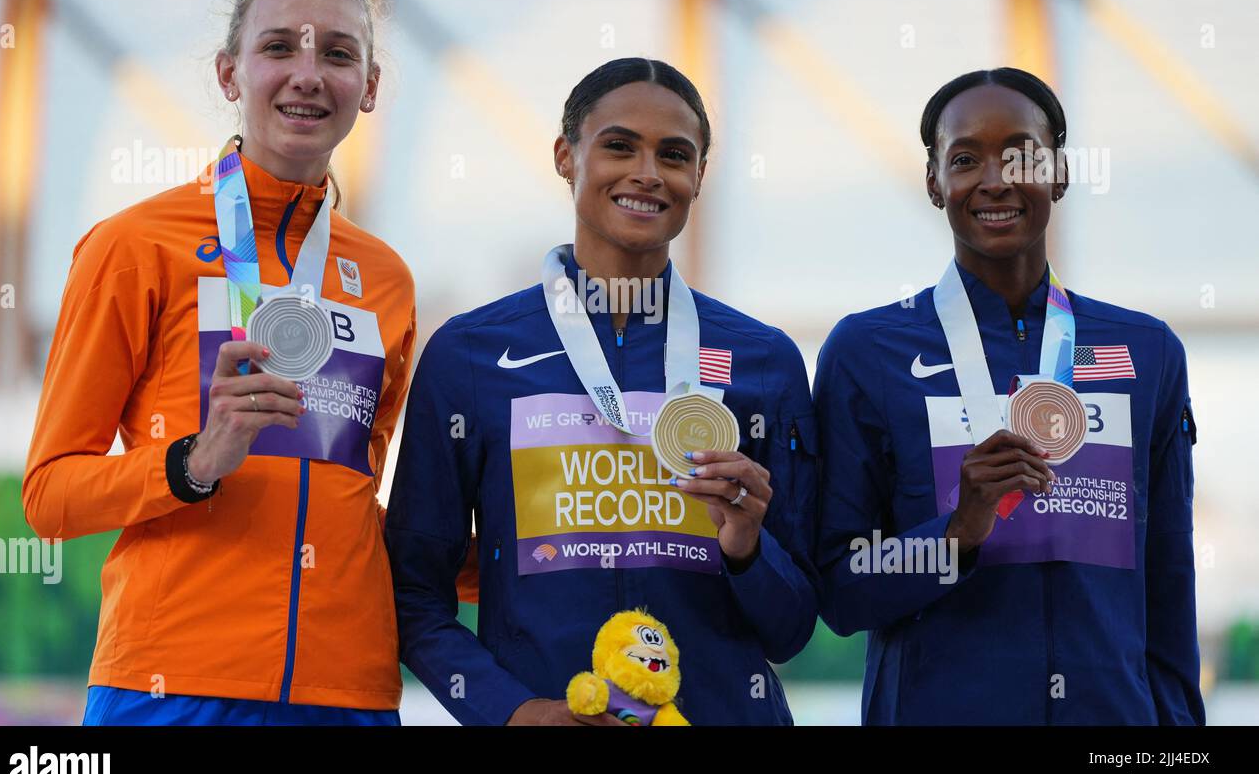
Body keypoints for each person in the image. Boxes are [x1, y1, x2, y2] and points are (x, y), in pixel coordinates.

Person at [23, 0, 417, 724]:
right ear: (229, 74)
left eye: (338, 53)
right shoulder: (135, 245)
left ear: (368, 88)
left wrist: (545, 547)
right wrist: (192, 462)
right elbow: (48, 494)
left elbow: (350, 503)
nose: (308, 73)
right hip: (171, 685)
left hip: (347, 692)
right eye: (279, 48)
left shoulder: (386, 279)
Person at [386, 57, 819, 725]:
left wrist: (746, 548)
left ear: (699, 176)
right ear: (566, 155)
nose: (647, 172)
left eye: (675, 154)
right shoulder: (468, 355)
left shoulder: (762, 359)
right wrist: (514, 711)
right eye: (620, 145)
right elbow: (413, 594)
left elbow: (792, 628)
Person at [812, 67, 1204, 725]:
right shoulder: (866, 352)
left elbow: (1169, 584)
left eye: (1020, 154)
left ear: (1060, 172)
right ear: (935, 183)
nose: (995, 179)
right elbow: (840, 588)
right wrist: (956, 536)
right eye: (965, 159)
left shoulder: (1146, 349)